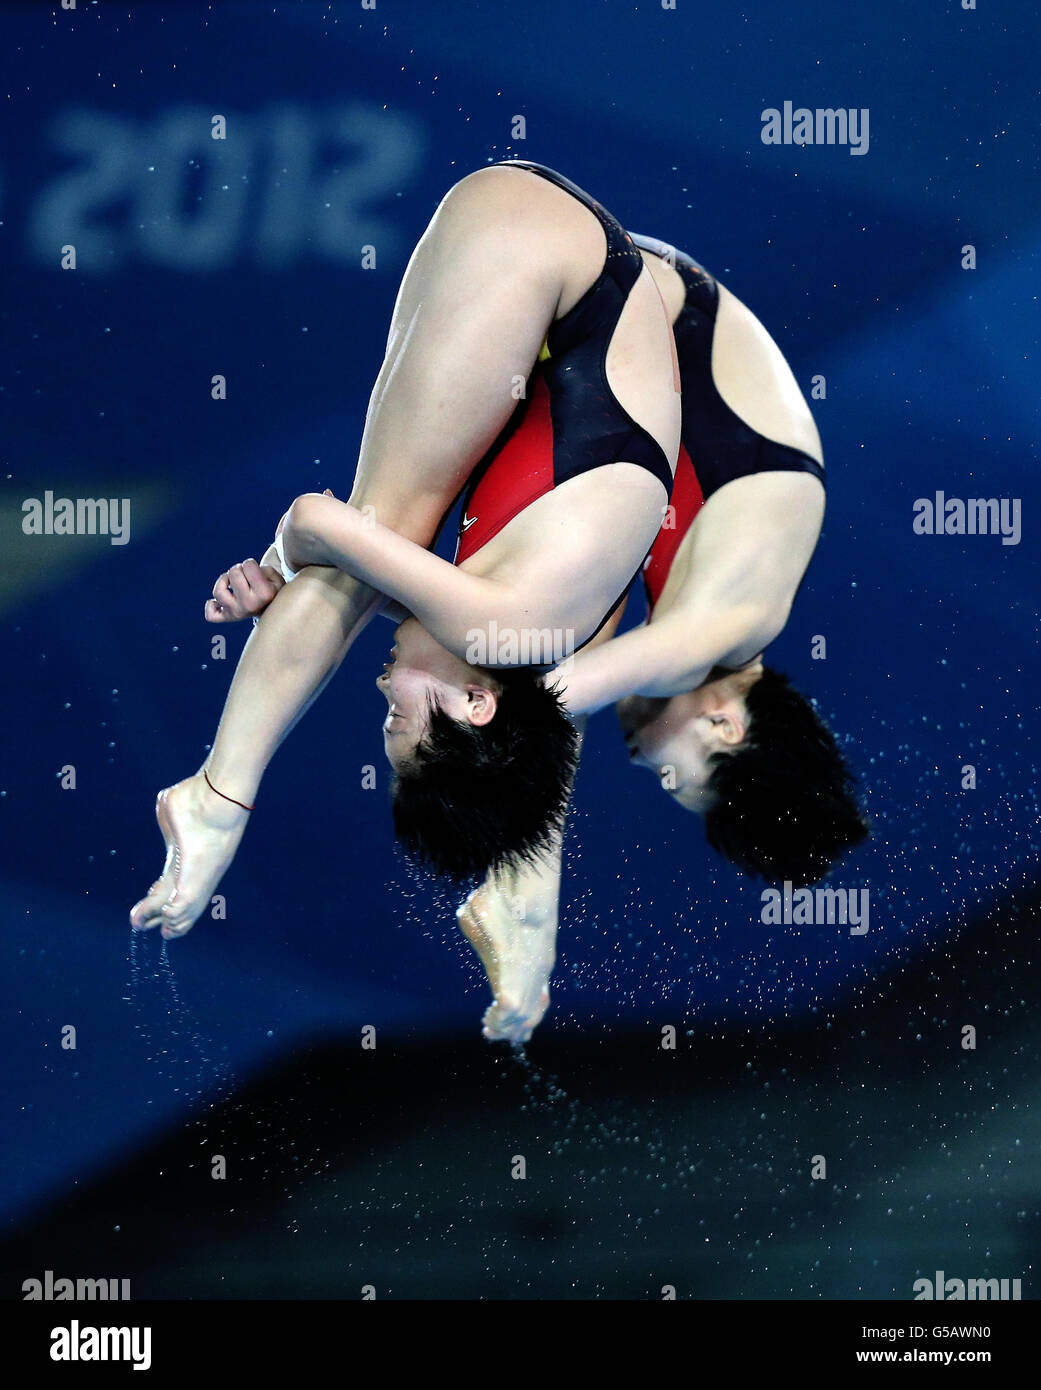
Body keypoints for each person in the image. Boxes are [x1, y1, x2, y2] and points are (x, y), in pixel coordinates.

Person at [129, 160, 680, 938]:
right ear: (476, 704)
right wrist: (284, 564)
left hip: (565, 252)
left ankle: (222, 796)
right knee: (381, 521)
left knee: (380, 546)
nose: (383, 686)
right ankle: (218, 798)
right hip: (533, 245)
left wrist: (290, 582)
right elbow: (317, 519)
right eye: (398, 716)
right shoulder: (509, 619)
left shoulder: (535, 635)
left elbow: (387, 586)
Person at [458, 234, 869, 1043]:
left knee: (531, 619)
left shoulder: (716, 613)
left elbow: (562, 691)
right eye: (673, 780)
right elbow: (550, 705)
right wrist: (534, 905)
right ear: (726, 726)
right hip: (607, 278)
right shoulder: (714, 630)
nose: (646, 767)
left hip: (603, 298)